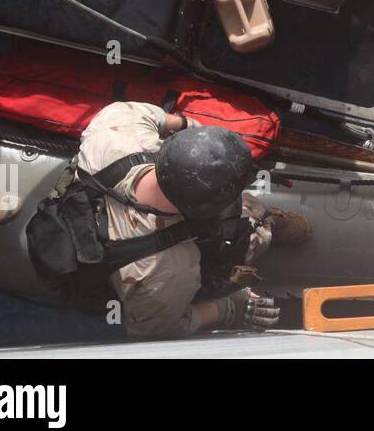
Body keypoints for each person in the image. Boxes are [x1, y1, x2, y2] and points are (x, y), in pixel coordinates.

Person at [70, 102, 310, 338]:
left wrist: (193, 133)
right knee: (236, 226)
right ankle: (262, 228)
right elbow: (155, 328)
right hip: (134, 253)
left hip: (92, 207)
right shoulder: (166, 272)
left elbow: (158, 118)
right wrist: (228, 308)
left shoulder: (118, 126)